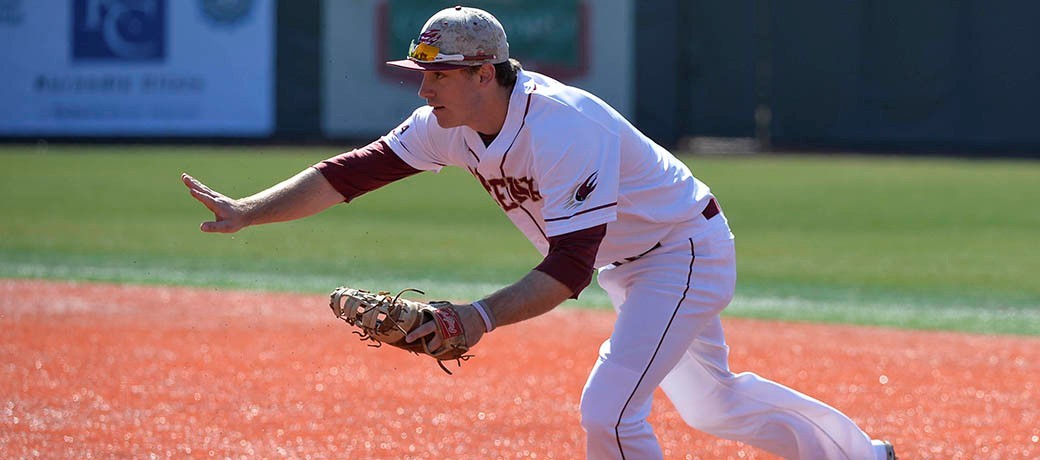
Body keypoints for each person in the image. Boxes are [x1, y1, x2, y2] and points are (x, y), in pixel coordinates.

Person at [182, 6, 896, 460]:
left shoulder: (562, 128)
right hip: (633, 264)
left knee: (609, 413)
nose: (422, 89)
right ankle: (862, 457)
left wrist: (478, 317)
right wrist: (249, 211)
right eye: (419, 73)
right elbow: (352, 174)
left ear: (485, 73)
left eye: (437, 75)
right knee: (713, 403)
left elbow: (568, 269)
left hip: (680, 252)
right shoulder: (450, 126)